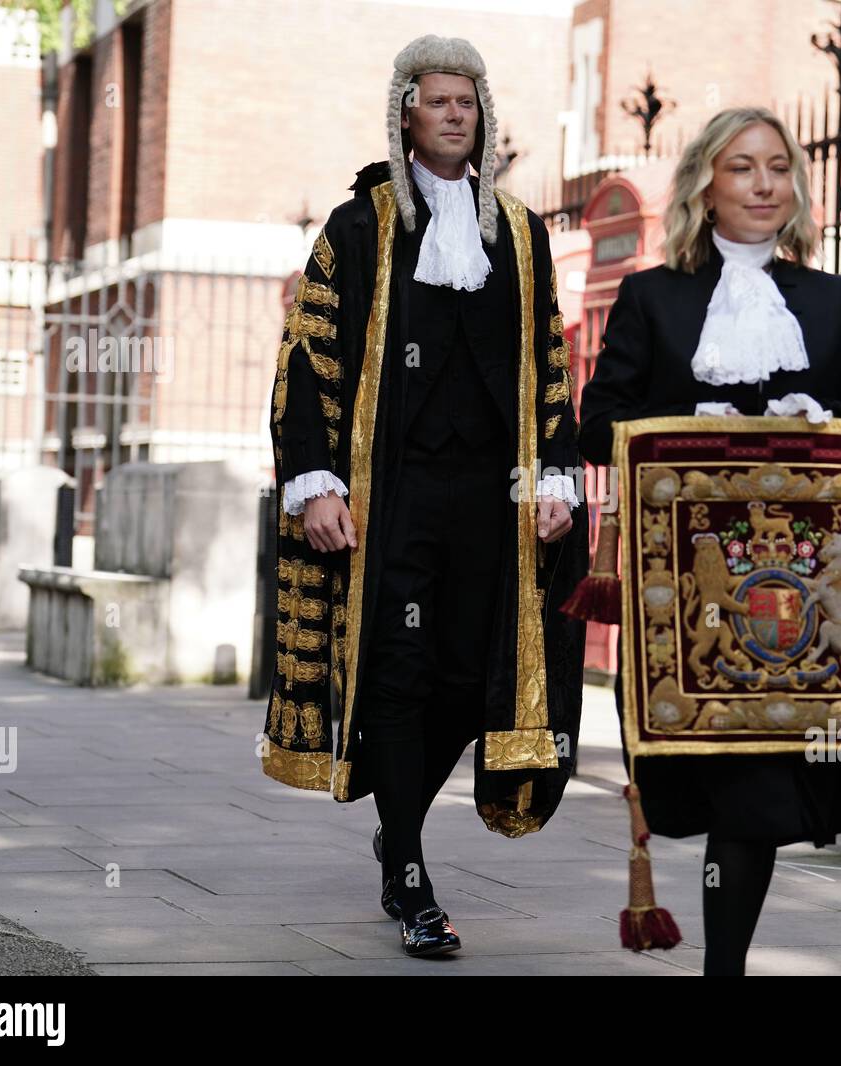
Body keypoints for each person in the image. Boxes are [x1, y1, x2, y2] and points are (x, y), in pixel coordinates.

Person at [262, 34, 590, 958]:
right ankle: (408, 872)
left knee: (465, 678)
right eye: (439, 101)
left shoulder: (522, 235)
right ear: (406, 110)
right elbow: (307, 364)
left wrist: (553, 476)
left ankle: (394, 823)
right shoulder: (359, 225)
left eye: (469, 102)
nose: (456, 115)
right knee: (398, 678)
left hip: (491, 500)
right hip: (390, 497)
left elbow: (551, 372)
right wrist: (313, 482)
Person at [578, 106, 841, 976]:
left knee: (759, 791)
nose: (762, 184)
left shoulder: (828, 299)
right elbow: (598, 428)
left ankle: (723, 970)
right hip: (686, 590)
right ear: (706, 185)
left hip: (791, 593)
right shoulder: (653, 295)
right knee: (716, 783)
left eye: (777, 167)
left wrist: (823, 420)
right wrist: (679, 426)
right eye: (742, 167)